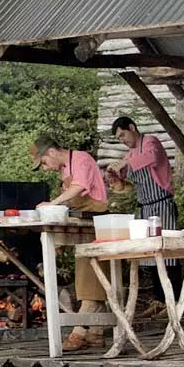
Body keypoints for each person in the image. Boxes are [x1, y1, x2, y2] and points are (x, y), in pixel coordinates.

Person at [32, 135, 110, 351]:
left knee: (91, 282)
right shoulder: (64, 169)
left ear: (52, 152)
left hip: (97, 223)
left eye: (45, 163)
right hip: (80, 226)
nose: (46, 168)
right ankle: (96, 333)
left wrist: (53, 203)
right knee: (89, 281)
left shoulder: (82, 159)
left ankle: (78, 333)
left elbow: (79, 187)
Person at [104, 116, 178, 234]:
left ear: (132, 128)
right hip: (144, 207)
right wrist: (113, 174)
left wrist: (125, 163)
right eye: (119, 139)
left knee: (166, 241)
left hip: (162, 205)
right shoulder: (130, 154)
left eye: (123, 135)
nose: (122, 141)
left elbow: (152, 157)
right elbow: (122, 175)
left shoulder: (150, 141)